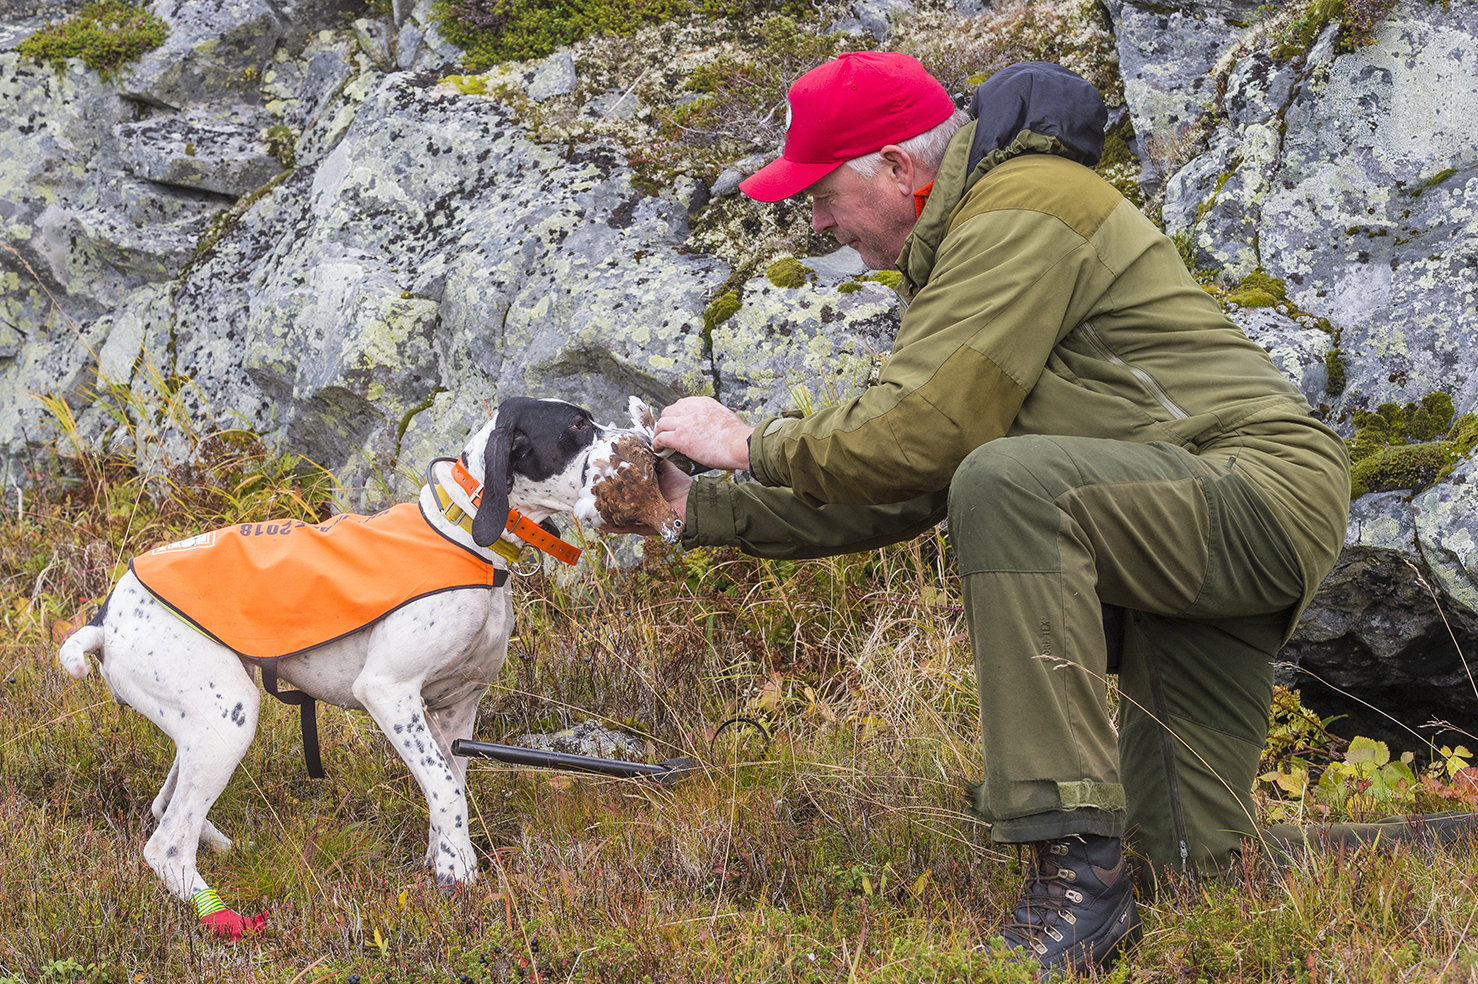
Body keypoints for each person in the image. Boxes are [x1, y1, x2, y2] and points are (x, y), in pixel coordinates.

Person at [640, 53, 1351, 972]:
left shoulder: (1022, 209)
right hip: (1175, 519)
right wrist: (694, 508)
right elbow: (905, 484)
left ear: (900, 168)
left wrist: (747, 442)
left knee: (1010, 484)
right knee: (1193, 872)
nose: (813, 221)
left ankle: (1074, 877)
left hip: (1251, 493)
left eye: (823, 192)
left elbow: (913, 437)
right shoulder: (975, 245)